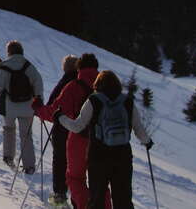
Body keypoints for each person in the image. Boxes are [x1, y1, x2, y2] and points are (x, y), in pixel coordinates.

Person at [54, 70, 152, 209]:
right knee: (123, 200)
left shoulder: (94, 100)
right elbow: (139, 129)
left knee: (96, 199)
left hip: (98, 156)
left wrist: (60, 117)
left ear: (98, 84)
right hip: (123, 156)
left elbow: (77, 126)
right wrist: (147, 142)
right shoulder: (127, 102)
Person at [34, 53, 105, 209]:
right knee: (100, 180)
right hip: (102, 141)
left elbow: (54, 110)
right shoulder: (105, 87)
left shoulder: (73, 86)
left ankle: (70, 201)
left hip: (77, 138)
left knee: (76, 178)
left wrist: (38, 110)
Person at [0, 40, 44, 174]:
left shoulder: (4, 66)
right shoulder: (29, 66)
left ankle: (8, 157)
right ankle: (29, 165)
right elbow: (38, 85)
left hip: (9, 106)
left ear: (9, 52)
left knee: (9, 130)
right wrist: (39, 102)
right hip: (27, 106)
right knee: (26, 135)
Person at [44, 55, 79, 206]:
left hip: (62, 128)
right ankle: (77, 197)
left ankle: (59, 194)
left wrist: (39, 109)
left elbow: (52, 105)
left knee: (60, 160)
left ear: (65, 67)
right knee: (76, 163)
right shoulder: (84, 83)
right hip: (81, 130)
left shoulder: (65, 82)